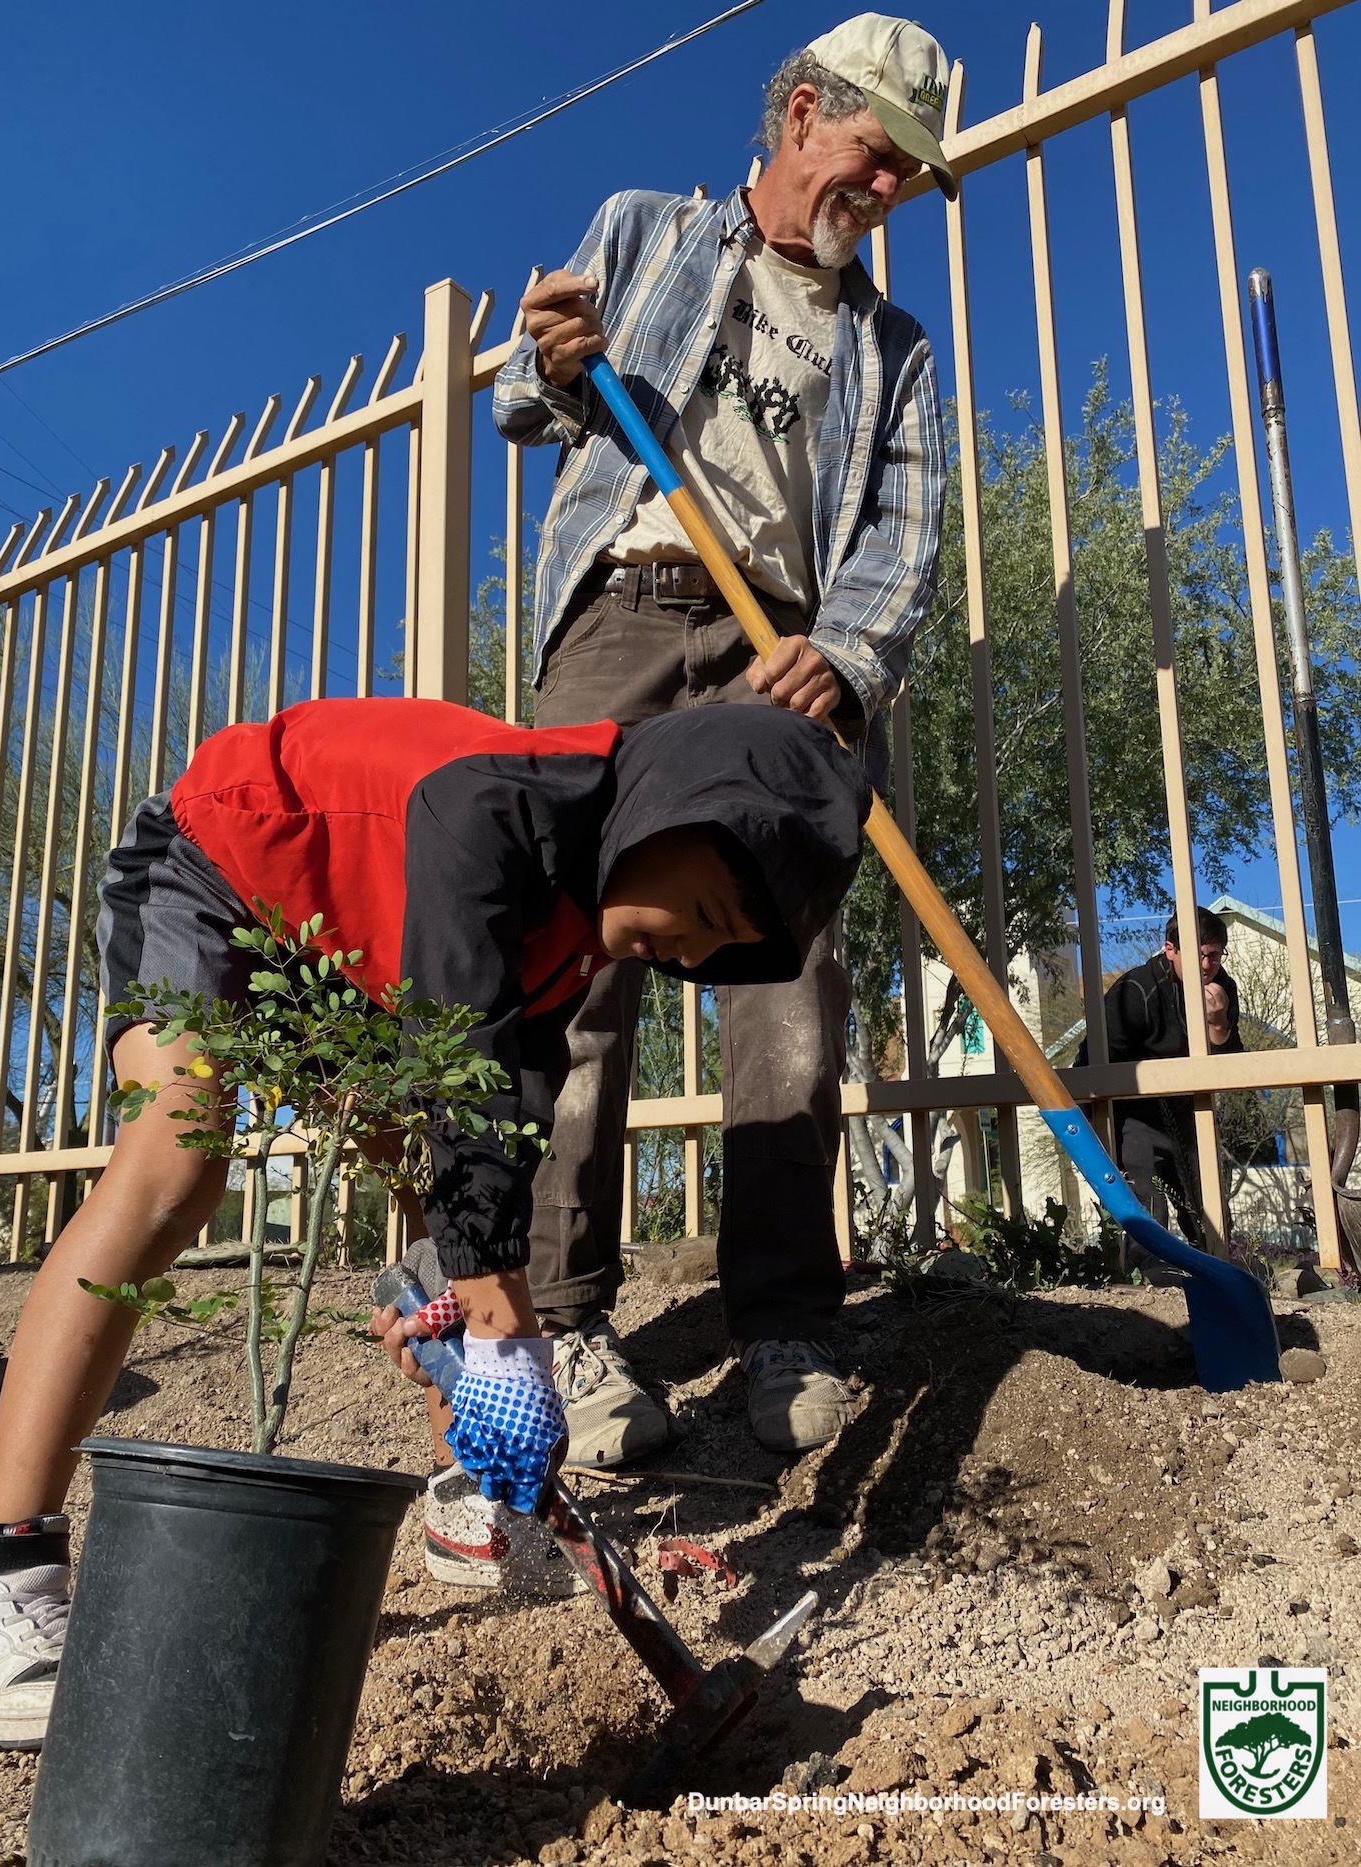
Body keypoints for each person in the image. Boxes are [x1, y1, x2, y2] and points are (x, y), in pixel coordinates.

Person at [0, 694, 870, 1750]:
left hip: (344, 953)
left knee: (447, 1216)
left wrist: (482, 1321)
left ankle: (468, 1492)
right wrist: (500, 1329)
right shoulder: (502, 800)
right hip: (215, 861)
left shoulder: (578, 919)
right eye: (706, 913)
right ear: (664, 813)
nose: (689, 955)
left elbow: (492, 1134)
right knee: (178, 1158)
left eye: (720, 950)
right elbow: (464, 1036)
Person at [494, 14, 954, 1464]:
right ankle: (564, 1318)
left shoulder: (892, 346)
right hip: (624, 609)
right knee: (573, 953)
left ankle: (784, 1317)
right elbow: (524, 396)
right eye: (875, 162)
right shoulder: (646, 233)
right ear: (802, 112)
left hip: (785, 655)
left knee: (789, 977)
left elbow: (904, 533)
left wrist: (851, 653)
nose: (882, 198)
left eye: (906, 185)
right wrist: (563, 358)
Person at [1091, 907, 1243, 1269]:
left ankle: (1216, 1274)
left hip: (1190, 1114)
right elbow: (1093, 1063)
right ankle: (1149, 1284)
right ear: (1170, 949)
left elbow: (1231, 1065)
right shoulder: (1136, 990)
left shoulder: (1223, 989)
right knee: (1146, 1212)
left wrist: (1218, 1022)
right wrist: (1098, 1139)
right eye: (1199, 954)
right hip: (1134, 1118)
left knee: (1209, 1215)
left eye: (1214, 955)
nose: (1207, 965)